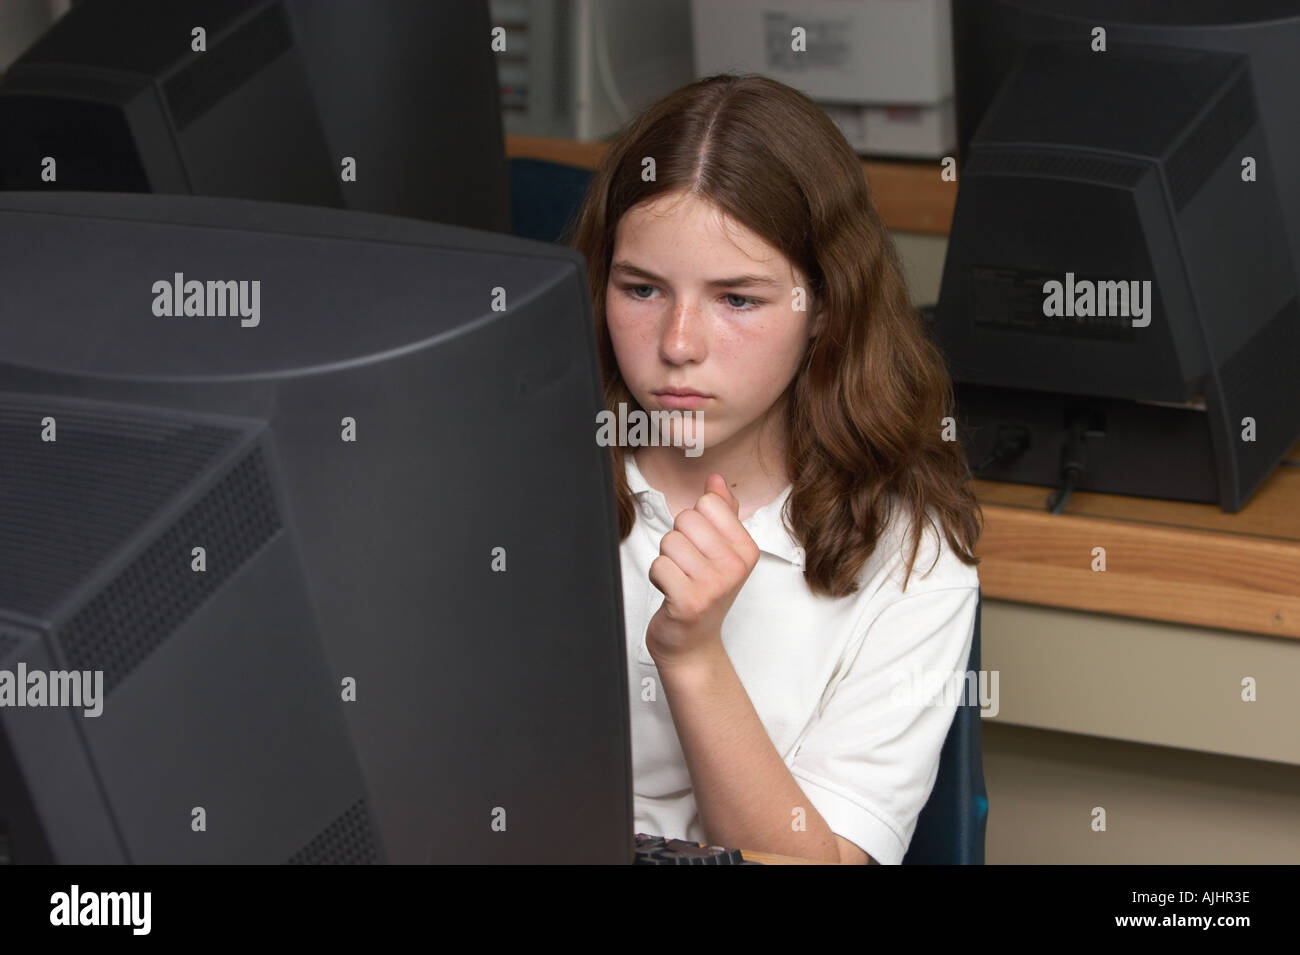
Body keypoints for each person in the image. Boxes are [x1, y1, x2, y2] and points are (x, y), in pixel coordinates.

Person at [568, 73, 983, 865]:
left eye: (738, 300)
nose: (679, 342)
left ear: (824, 306)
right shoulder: (525, 472)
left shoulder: (912, 552)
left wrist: (692, 654)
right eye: (643, 288)